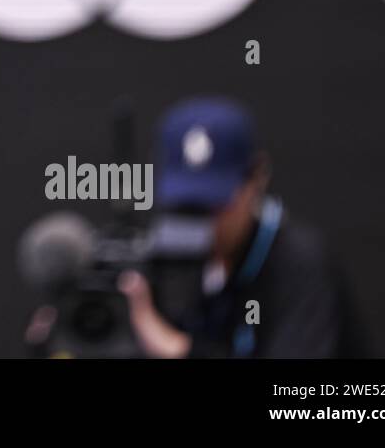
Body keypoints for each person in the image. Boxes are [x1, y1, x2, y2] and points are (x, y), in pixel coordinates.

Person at [118, 97, 371, 358]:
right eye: (189, 205)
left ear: (257, 177)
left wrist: (179, 349)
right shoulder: (182, 264)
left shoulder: (300, 263)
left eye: (218, 202)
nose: (206, 221)